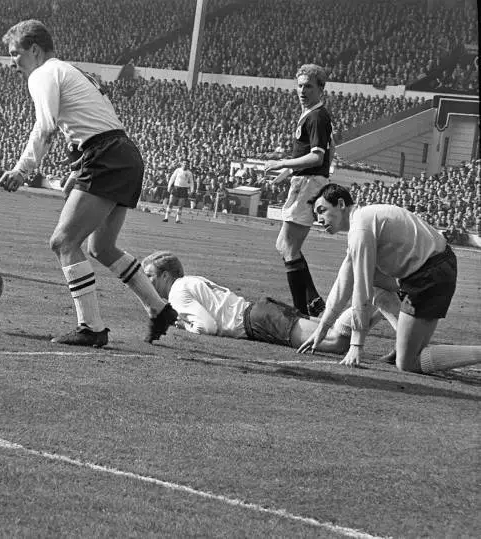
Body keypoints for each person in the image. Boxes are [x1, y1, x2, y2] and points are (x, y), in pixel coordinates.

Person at [0, 19, 177, 347]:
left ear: (34, 50)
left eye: (15, 54)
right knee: (101, 248)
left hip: (105, 156)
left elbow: (46, 126)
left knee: (63, 242)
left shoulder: (42, 73)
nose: (13, 63)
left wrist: (21, 171)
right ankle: (159, 308)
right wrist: (76, 169)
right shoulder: (72, 71)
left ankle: (91, 328)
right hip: (123, 153)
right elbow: (89, 120)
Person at [298, 183, 481, 375]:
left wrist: (356, 343)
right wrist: (323, 327)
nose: (319, 219)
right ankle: (401, 343)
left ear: (341, 204)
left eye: (322, 210)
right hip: (434, 268)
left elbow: (362, 289)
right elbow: (344, 282)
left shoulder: (361, 228)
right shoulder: (364, 219)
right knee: (376, 288)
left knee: (408, 363)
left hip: (428, 275)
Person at [142, 251, 398, 353]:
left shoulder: (176, 291)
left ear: (166, 275)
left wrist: (183, 327)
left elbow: (206, 327)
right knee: (329, 332)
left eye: (150, 276)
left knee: (336, 342)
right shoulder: (189, 280)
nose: (146, 282)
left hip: (257, 321)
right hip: (261, 311)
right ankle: (381, 304)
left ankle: (380, 300)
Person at [260, 64, 335, 318]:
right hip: (304, 182)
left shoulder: (317, 117)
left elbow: (317, 157)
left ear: (320, 89)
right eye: (300, 85)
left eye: (309, 86)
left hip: (310, 185)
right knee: (284, 245)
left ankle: (301, 311)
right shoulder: (311, 115)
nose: (303, 90)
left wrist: (282, 163)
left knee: (289, 247)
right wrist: (288, 173)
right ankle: (313, 301)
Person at [163, 159, 195, 223]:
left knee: (180, 205)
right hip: (176, 188)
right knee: (171, 202)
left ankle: (177, 219)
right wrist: (169, 186)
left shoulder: (189, 173)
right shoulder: (178, 170)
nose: (185, 164)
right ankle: (166, 217)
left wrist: (192, 190)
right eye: (184, 163)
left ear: (188, 165)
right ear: (182, 164)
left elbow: (191, 182)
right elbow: (172, 178)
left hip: (184, 189)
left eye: (186, 163)